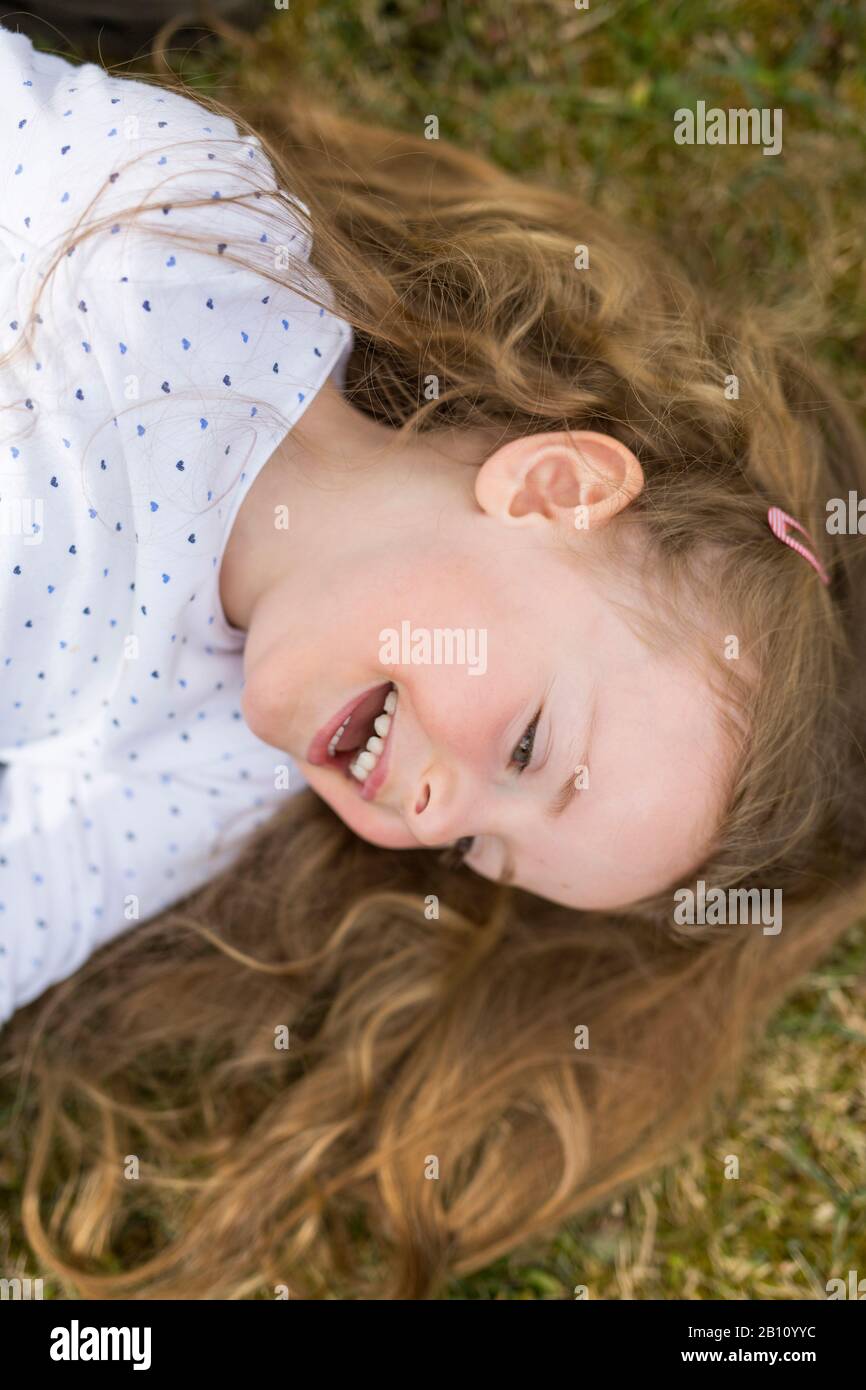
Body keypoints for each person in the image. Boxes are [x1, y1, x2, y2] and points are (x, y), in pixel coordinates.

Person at [1, 23, 864, 1298]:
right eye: (524, 750)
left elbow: (39, 889)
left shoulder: (223, 769)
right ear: (553, 486)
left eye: (478, 848)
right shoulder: (190, 245)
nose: (432, 808)